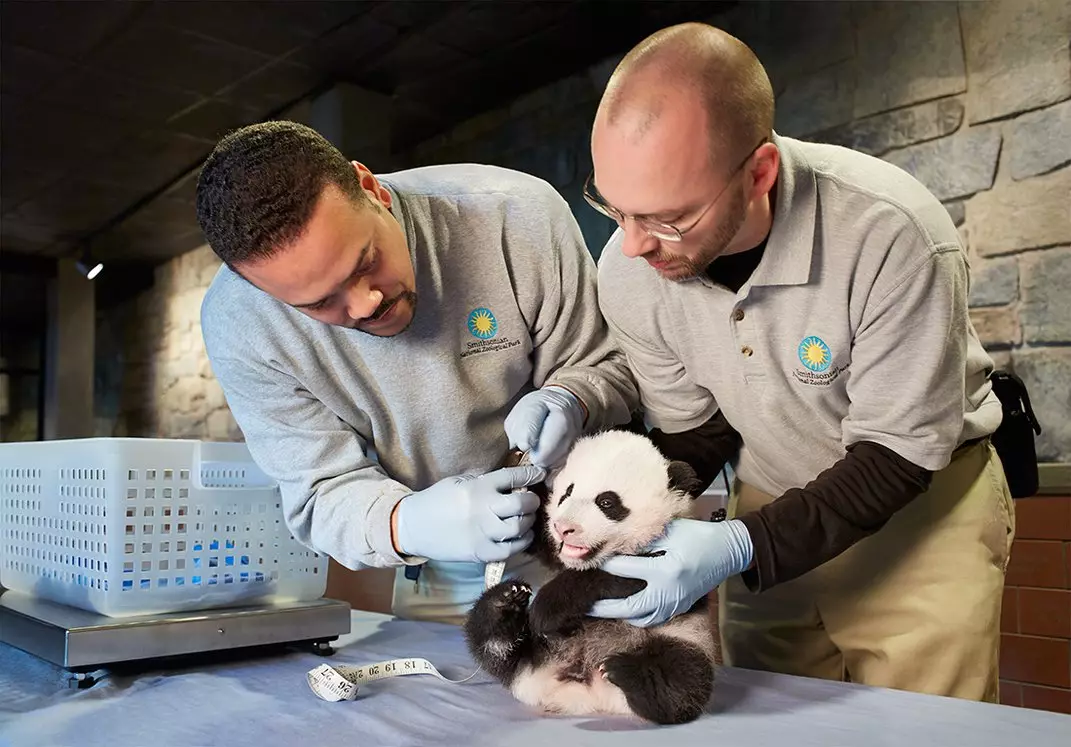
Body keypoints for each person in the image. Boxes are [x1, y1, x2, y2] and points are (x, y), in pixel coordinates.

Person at [586, 22, 1015, 703]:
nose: (635, 245)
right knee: (773, 718)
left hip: (918, 513)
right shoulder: (627, 267)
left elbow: (895, 455)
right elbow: (698, 429)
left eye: (668, 217)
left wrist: (738, 547)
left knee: (930, 728)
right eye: (613, 208)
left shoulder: (888, 232)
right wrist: (607, 508)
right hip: (768, 504)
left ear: (757, 172)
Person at [195, 121, 638, 624]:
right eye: (321, 303)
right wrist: (409, 524)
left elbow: (608, 366)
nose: (366, 304)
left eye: (366, 262)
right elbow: (318, 492)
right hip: (433, 568)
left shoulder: (515, 218)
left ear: (371, 189)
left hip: (585, 534)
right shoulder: (242, 324)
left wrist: (574, 398)